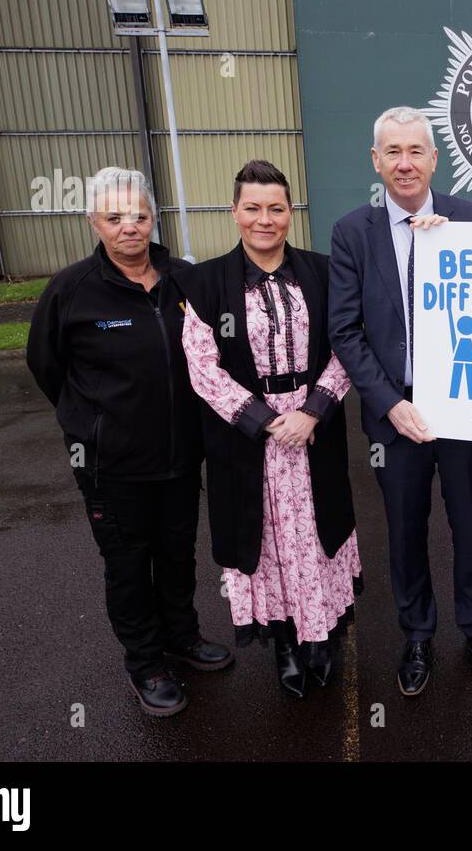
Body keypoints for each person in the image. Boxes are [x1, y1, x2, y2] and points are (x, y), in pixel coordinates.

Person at [27, 167, 231, 718]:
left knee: (176, 553)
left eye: (138, 216)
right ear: (94, 221)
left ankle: (181, 638)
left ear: (153, 218)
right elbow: (46, 367)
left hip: (182, 457)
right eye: (114, 218)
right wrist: (91, 423)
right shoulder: (71, 290)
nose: (129, 227)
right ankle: (145, 662)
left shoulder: (185, 280)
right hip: (110, 465)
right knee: (127, 563)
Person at [328, 106, 472, 696]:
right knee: (404, 528)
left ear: (434, 158)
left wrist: (452, 247)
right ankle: (418, 636)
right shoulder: (353, 231)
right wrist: (388, 402)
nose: (405, 163)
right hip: (393, 411)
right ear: (375, 161)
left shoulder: (471, 217)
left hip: (462, 403)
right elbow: (345, 330)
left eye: (415, 151)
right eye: (392, 152)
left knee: (469, 522)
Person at [174, 160, 359, 701]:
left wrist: (314, 410)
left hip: (314, 427)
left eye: (276, 208)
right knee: (269, 542)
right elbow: (202, 367)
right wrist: (266, 421)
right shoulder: (204, 283)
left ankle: (320, 640)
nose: (264, 219)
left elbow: (348, 340)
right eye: (252, 208)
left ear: (290, 213)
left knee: (316, 536)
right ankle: (284, 643)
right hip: (249, 438)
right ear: (234, 213)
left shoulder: (323, 272)